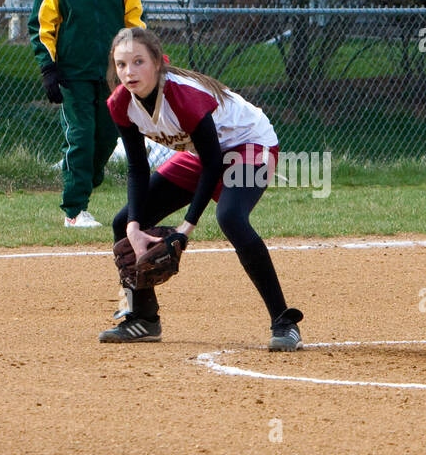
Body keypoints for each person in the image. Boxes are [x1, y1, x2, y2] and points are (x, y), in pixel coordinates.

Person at [98, 26, 304, 351]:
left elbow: (213, 165)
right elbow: (138, 167)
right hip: (200, 153)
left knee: (232, 217)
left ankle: (284, 322)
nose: (129, 72)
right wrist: (135, 226)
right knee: (123, 223)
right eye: (121, 64)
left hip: (248, 144)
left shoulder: (182, 96)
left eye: (139, 62)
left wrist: (185, 229)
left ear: (157, 63)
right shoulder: (121, 103)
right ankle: (143, 319)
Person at [29, 0, 144, 228]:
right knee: (81, 138)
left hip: (112, 74)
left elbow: (135, 24)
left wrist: (139, 63)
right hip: (73, 73)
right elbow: (41, 27)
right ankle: (75, 211)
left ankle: (86, 182)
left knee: (107, 137)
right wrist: (48, 68)